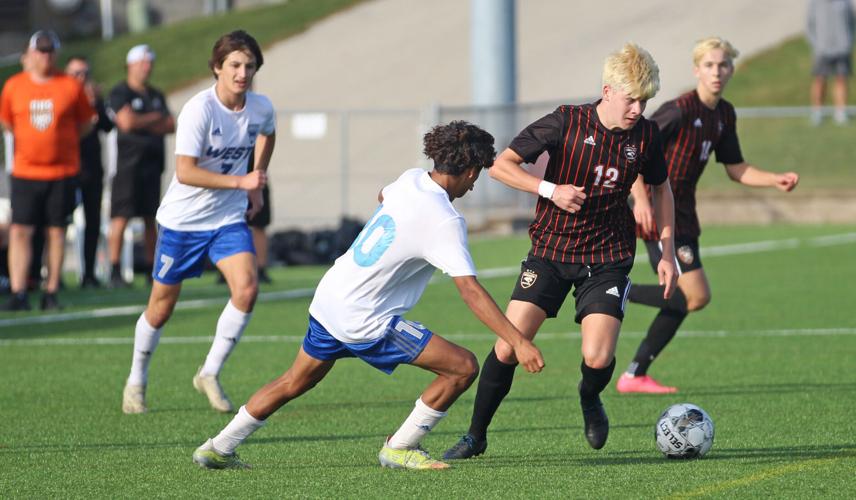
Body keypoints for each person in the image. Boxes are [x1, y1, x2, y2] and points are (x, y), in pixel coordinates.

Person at [191, 121, 545, 471]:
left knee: (293, 381)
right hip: (364, 317)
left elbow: (382, 196)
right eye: (478, 172)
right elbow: (470, 290)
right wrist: (517, 341)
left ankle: (218, 447)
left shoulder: (410, 179)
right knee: (462, 367)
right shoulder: (444, 220)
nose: (475, 182)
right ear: (469, 171)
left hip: (331, 298)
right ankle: (400, 447)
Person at [444, 43, 678, 459]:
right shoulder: (566, 122)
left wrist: (666, 250)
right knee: (508, 345)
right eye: (632, 99)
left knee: (598, 354)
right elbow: (501, 164)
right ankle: (475, 436)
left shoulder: (645, 136)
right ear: (608, 90)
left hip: (607, 256)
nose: (638, 109)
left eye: (645, 101)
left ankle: (590, 398)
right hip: (551, 251)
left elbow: (662, 188)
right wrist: (551, 190)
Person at [616, 37, 800, 394]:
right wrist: (639, 198)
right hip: (657, 210)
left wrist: (774, 179)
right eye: (710, 65)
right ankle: (617, 296)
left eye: (724, 65)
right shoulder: (679, 109)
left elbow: (736, 168)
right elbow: (634, 147)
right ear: (696, 70)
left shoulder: (724, 114)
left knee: (689, 296)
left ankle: (635, 372)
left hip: (684, 212)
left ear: (731, 70)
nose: (717, 72)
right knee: (691, 295)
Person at [121, 30, 275, 415]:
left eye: (250, 66)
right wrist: (242, 181)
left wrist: (256, 182)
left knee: (247, 288)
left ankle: (209, 372)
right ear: (217, 68)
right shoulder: (199, 109)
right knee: (161, 307)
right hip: (182, 224)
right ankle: (136, 380)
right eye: (235, 65)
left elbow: (268, 134)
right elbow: (186, 172)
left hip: (226, 219)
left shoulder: (260, 107)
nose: (243, 73)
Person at [0, 30, 95, 311]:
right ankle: (19, 291)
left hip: (62, 171)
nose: (45, 56)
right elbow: (7, 123)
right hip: (26, 171)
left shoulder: (69, 86)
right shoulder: (15, 86)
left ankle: (51, 289)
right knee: (20, 231)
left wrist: (62, 143)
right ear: (30, 54)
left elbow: (86, 122)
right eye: (40, 50)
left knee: (56, 231)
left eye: (50, 50)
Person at [106, 44, 175, 288]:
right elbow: (125, 123)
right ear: (131, 65)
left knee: (150, 218)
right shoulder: (120, 92)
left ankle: (150, 268)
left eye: (149, 63)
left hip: (152, 166)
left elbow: (170, 124)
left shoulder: (155, 94)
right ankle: (114, 270)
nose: (146, 68)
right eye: (142, 63)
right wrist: (151, 119)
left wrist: (140, 122)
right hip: (126, 167)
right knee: (120, 217)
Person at [66, 55, 114, 288]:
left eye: (85, 73)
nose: (81, 78)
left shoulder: (93, 98)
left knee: (93, 222)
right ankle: (47, 276)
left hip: (92, 169)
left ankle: (89, 274)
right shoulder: (63, 97)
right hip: (66, 168)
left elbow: (107, 126)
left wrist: (96, 104)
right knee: (59, 222)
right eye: (76, 73)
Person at [807, 0, 854, 125]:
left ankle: (840, 113)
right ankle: (817, 112)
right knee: (820, 79)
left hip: (842, 48)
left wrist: (848, 42)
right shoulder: (815, 3)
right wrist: (817, 45)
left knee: (841, 79)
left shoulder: (845, 2)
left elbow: (851, 21)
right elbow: (809, 24)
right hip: (822, 49)